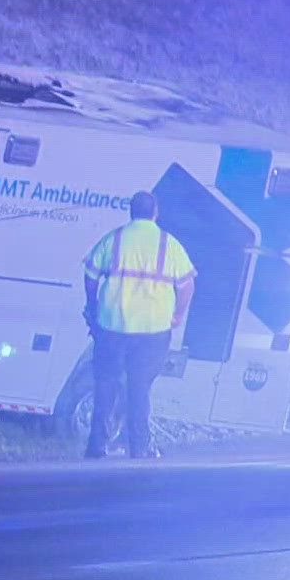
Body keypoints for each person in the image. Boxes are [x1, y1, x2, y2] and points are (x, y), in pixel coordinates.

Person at [81, 191, 196, 459]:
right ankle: (139, 448)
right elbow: (187, 285)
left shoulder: (115, 238)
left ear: (131, 211)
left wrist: (93, 305)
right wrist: (177, 315)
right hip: (153, 330)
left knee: (106, 384)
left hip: (112, 325)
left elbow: (90, 274)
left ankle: (96, 445)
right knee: (139, 387)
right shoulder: (169, 244)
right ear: (156, 212)